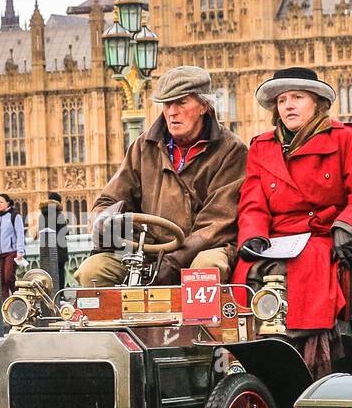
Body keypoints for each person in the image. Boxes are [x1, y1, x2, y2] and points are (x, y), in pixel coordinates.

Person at [234, 67, 352, 378]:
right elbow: (253, 202)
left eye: (297, 98)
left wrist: (346, 227)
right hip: (275, 240)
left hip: (321, 236)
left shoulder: (346, 141)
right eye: (282, 99)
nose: (288, 105)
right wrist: (251, 235)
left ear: (317, 103)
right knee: (243, 272)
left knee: (309, 268)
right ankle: (246, 354)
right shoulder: (262, 147)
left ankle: (308, 363)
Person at [75, 66, 247, 287]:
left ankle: (198, 323)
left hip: (204, 249)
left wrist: (174, 261)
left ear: (204, 105)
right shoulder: (144, 146)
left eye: (181, 103)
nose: (172, 112)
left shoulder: (231, 150)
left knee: (206, 269)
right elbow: (108, 201)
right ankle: (120, 323)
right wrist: (106, 222)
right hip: (148, 251)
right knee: (92, 271)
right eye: (167, 104)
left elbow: (217, 223)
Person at [0, 193, 25, 296]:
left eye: (1, 202)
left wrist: (20, 251)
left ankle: (19, 298)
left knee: (8, 277)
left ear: (8, 203)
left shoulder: (14, 216)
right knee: (1, 281)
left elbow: (20, 234)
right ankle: (6, 306)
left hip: (11, 252)